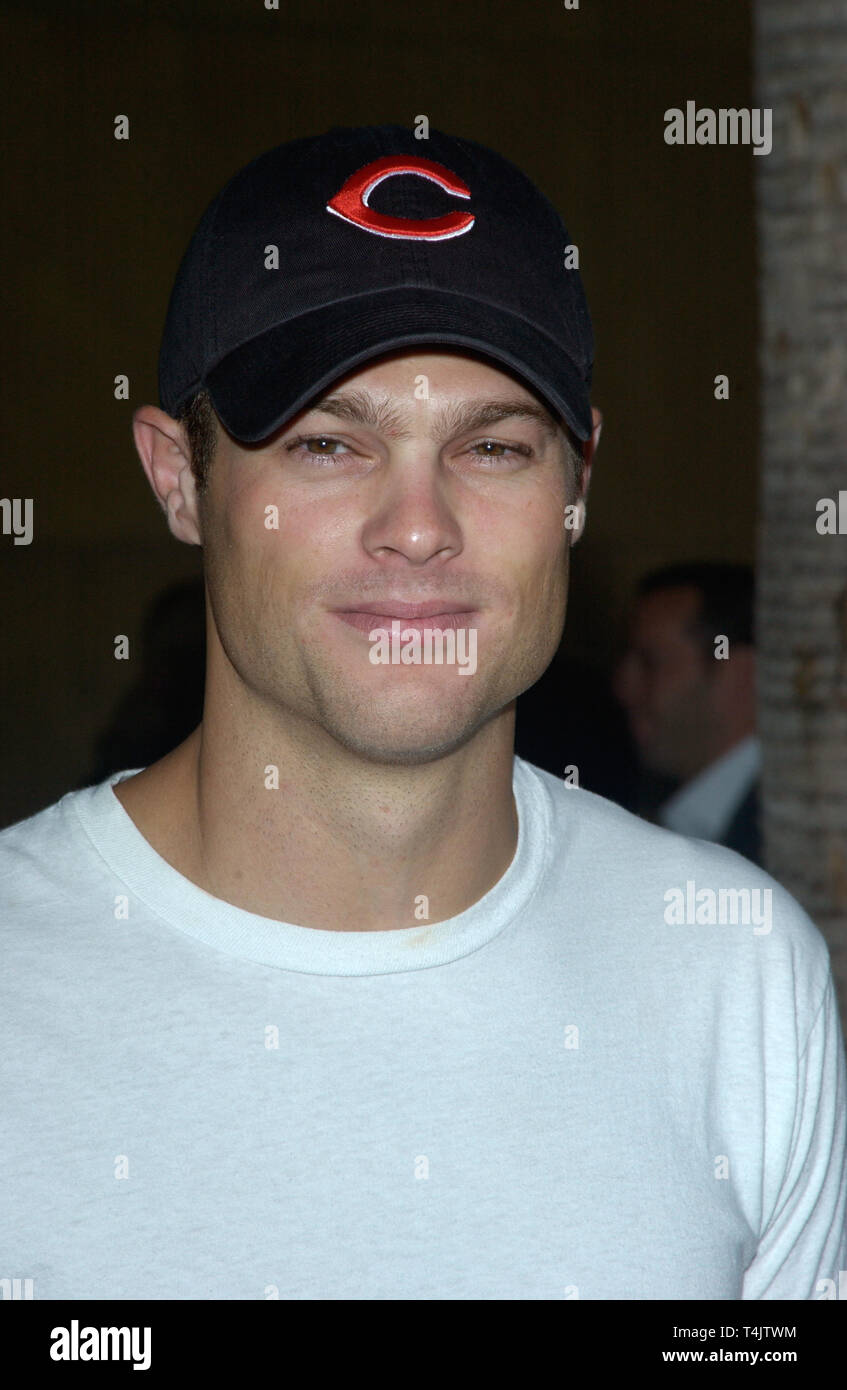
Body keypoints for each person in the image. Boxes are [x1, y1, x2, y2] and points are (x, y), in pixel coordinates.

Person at [1, 125, 844, 1301]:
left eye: (493, 446)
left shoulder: (735, 978)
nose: (417, 523)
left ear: (577, 487)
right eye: (327, 443)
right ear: (179, 478)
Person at [614, 563, 761, 862]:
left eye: (651, 662)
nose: (623, 687)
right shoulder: (656, 805)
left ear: (741, 674)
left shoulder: (806, 825)